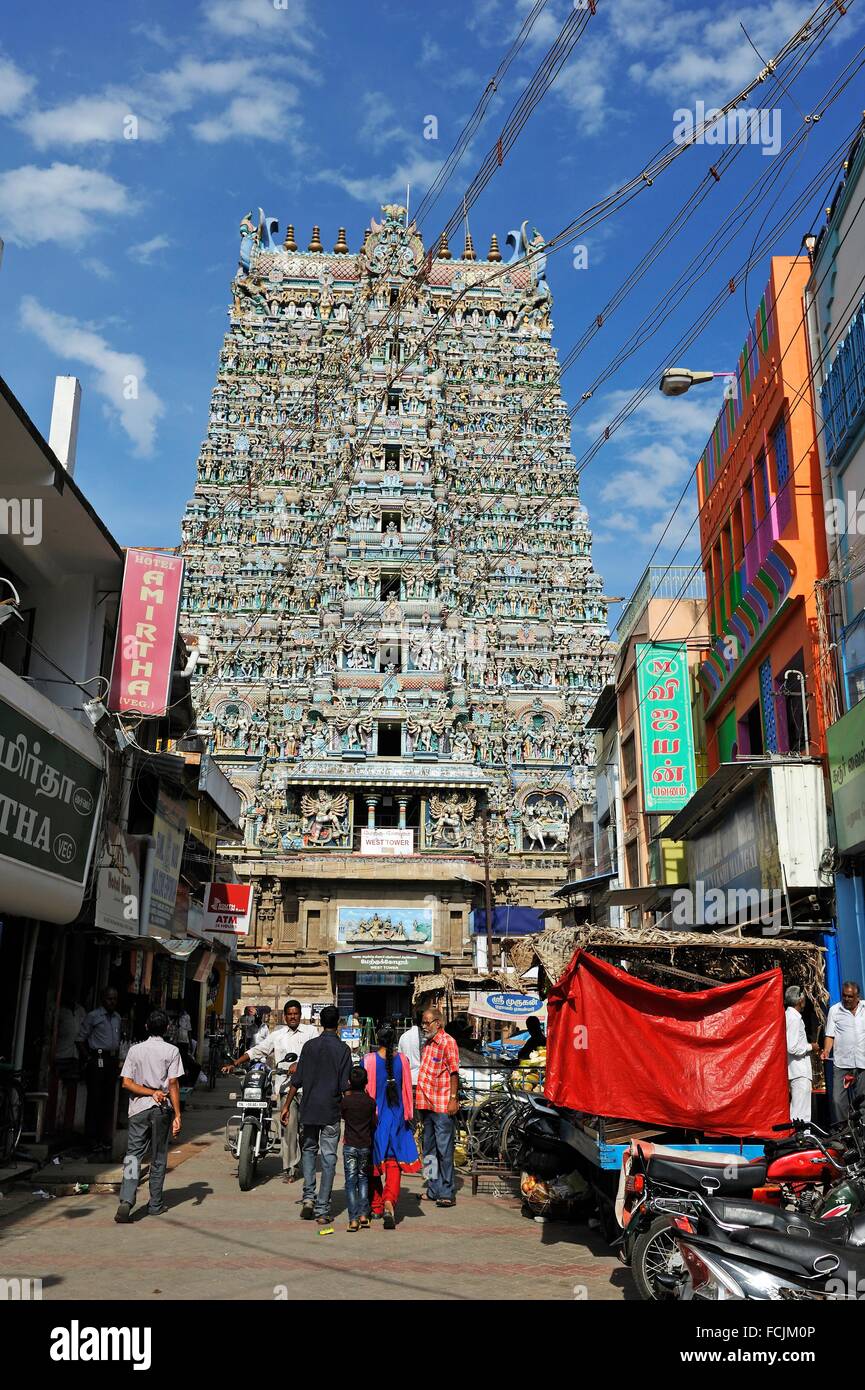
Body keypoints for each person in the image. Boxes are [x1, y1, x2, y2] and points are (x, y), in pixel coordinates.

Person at [225, 998, 316, 1183]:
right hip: (285, 1089)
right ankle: (291, 1168)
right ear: (285, 1016)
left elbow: (317, 1054)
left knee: (306, 1131)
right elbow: (258, 1051)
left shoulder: (311, 1032)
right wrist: (235, 1062)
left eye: (295, 1014)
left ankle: (306, 1161)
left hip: (308, 1089)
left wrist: (301, 1064)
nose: (292, 1017)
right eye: (289, 1014)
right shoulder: (277, 1034)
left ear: (301, 1015)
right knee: (288, 1129)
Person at [281, 1005, 351, 1223]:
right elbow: (344, 1086)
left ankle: (308, 1198)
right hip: (330, 1110)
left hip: (309, 1109)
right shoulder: (343, 1050)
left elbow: (296, 1080)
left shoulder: (309, 1047)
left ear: (320, 1022)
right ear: (338, 1023)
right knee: (329, 1158)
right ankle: (322, 1208)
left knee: (309, 1151)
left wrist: (286, 1105)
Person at [115, 1009, 183, 1223]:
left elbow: (126, 1083)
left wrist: (146, 1092)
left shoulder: (135, 1051)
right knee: (159, 1157)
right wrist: (178, 1114)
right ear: (167, 1029)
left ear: (146, 1027)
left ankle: (126, 1199)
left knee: (133, 1155)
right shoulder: (171, 1051)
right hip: (161, 1109)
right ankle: (155, 1204)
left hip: (138, 1109)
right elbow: (173, 1083)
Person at [363, 1025, 419, 1229]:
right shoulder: (402, 1060)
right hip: (397, 1119)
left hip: (375, 1120)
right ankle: (389, 1203)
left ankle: (376, 1206)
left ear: (377, 1039)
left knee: (375, 1164)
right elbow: (407, 1089)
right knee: (394, 1165)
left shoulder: (368, 1060)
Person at [416, 1007, 460, 1208]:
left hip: (442, 1104)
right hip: (426, 1103)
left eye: (427, 1022)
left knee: (444, 1150)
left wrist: (453, 1098)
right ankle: (433, 1188)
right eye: (423, 1022)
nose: (424, 1026)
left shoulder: (448, 1042)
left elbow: (454, 1073)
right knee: (429, 1150)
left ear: (438, 1023)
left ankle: (446, 1191)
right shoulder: (427, 1043)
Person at [77, 987, 122, 1151]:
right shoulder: (93, 1016)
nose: (113, 1002)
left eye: (115, 999)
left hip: (111, 1060)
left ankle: (105, 1137)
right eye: (110, 999)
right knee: (95, 1099)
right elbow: (80, 1039)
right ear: (103, 999)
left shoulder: (117, 1018)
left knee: (108, 1100)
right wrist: (89, 1058)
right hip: (97, 1059)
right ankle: (91, 1138)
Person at [340, 1065, 376, 1232]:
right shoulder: (370, 1102)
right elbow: (373, 1123)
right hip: (365, 1146)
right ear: (366, 1082)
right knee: (363, 1179)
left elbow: (343, 1116)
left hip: (350, 1146)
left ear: (349, 1083)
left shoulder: (346, 1102)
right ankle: (363, 1215)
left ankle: (353, 1219)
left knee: (350, 1182)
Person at [823, 981, 865, 1120]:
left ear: (857, 997)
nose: (846, 999)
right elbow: (830, 1035)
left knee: (862, 1102)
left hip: (862, 1064)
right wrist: (826, 1050)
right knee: (837, 1100)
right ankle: (844, 1132)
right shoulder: (835, 1010)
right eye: (844, 996)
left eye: (850, 997)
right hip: (842, 1064)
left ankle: (861, 1134)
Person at [785, 986, 817, 1123]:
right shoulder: (793, 1018)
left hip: (799, 1071)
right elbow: (792, 1047)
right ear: (799, 1000)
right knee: (799, 1110)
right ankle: (798, 1138)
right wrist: (811, 1046)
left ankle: (802, 1137)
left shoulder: (793, 1017)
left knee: (802, 1109)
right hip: (798, 1071)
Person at [398, 1012, 424, 1091]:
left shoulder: (403, 1036)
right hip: (422, 1079)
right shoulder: (424, 1037)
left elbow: (400, 1058)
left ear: (412, 1021)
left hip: (408, 1079)